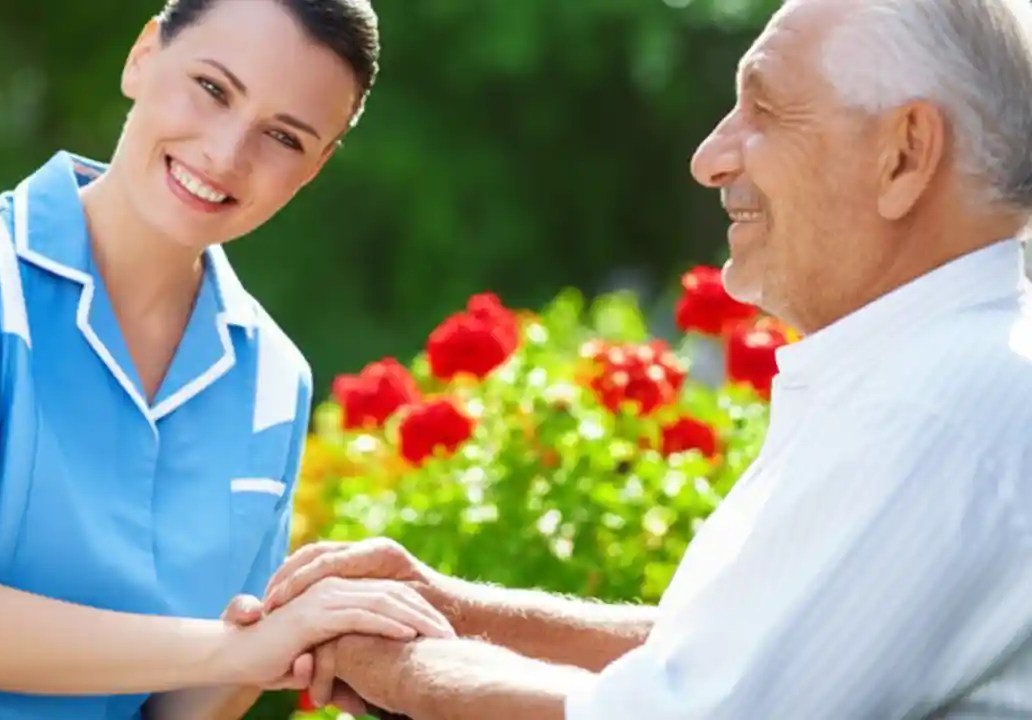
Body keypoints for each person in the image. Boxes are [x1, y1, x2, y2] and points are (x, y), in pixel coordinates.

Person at [260, 0, 1032, 717]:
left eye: (763, 110)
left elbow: (683, 712)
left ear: (904, 154)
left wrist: (397, 665)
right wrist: (446, 610)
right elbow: (722, 653)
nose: (710, 158)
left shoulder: (933, 411)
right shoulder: (939, 377)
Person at [0, 1, 457, 719]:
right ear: (144, 57)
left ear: (315, 167)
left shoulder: (275, 379)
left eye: (283, 136)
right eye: (213, 88)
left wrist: (302, 638)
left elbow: (179, 706)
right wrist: (230, 649)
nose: (225, 153)